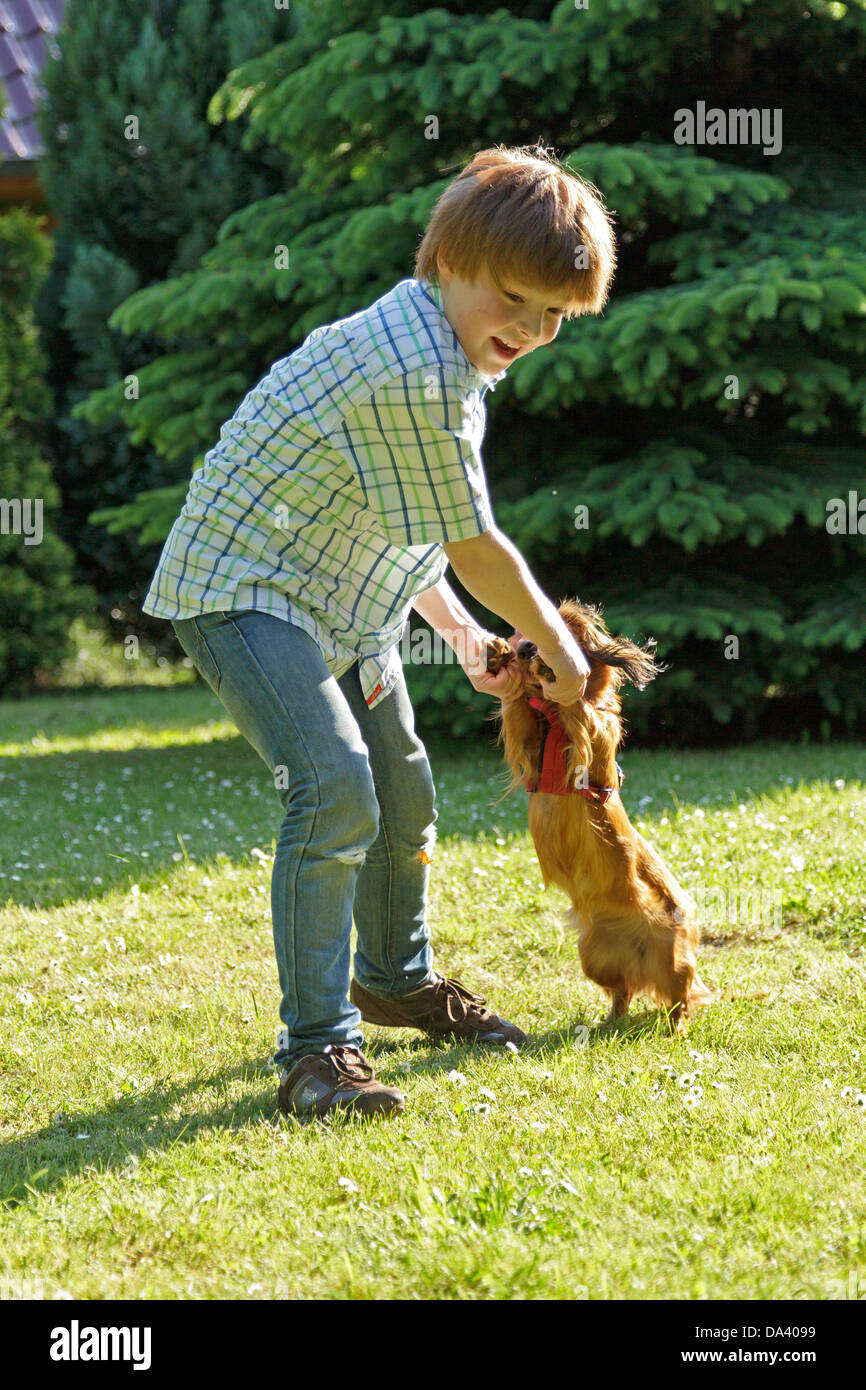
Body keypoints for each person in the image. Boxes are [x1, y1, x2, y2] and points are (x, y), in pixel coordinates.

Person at [142, 142, 617, 1121]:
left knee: (401, 790)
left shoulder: (449, 350)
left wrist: (453, 630)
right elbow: (474, 542)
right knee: (333, 787)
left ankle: (394, 980)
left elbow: (405, 521)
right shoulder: (409, 364)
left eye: (553, 316)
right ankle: (316, 1050)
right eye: (514, 300)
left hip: (340, 599)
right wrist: (561, 653)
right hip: (243, 590)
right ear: (447, 262)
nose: (529, 331)